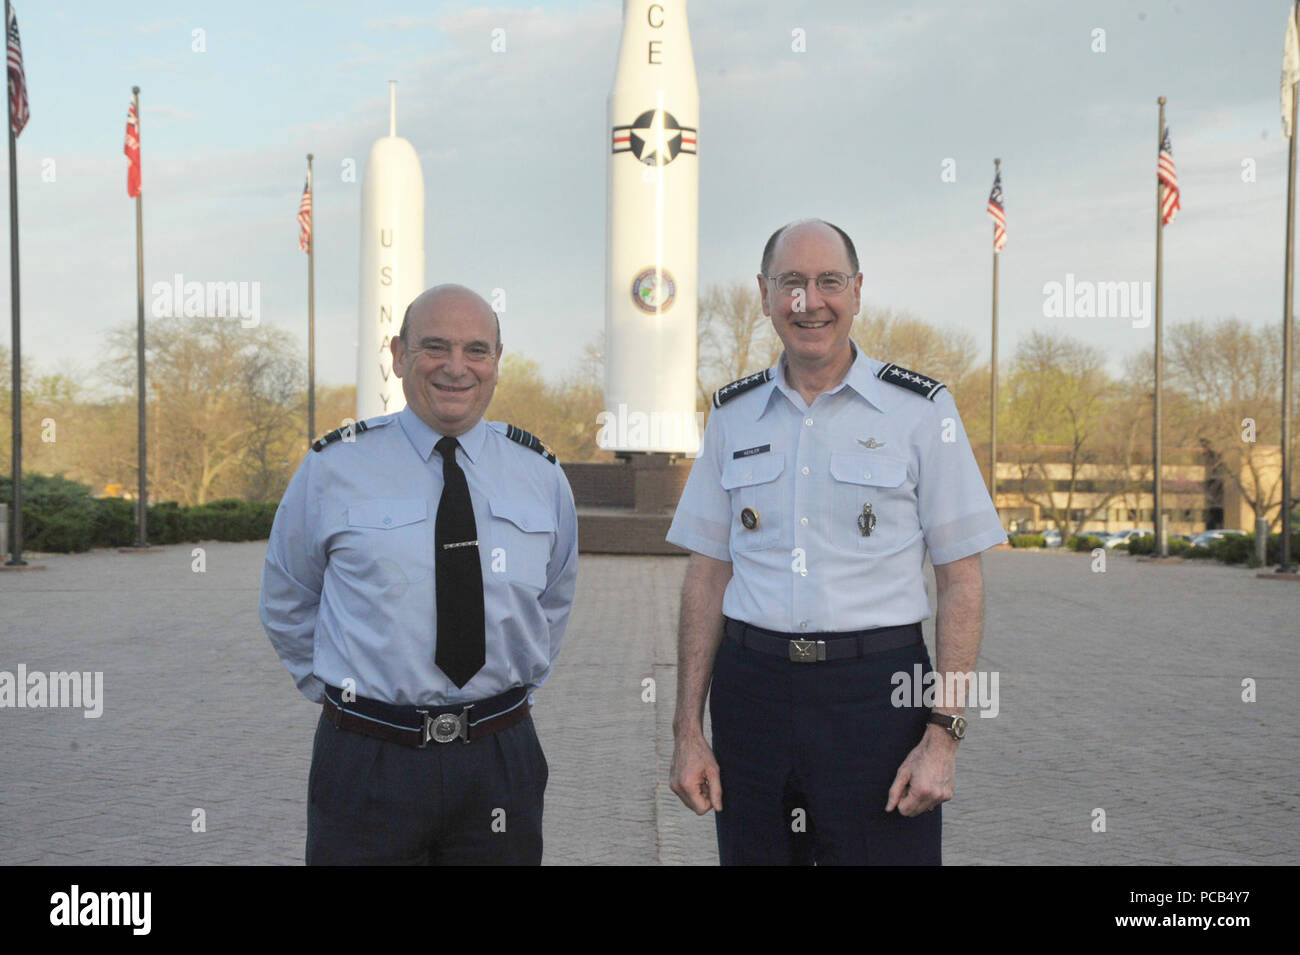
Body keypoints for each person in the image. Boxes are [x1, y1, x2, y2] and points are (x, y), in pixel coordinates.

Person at [666, 219, 1006, 865]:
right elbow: (707, 576)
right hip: (751, 699)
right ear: (765, 295)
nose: (809, 300)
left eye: (828, 281)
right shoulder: (732, 416)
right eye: (791, 282)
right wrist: (687, 728)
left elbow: (961, 579)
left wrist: (943, 735)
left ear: (857, 291)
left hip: (877, 699)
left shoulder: (922, 411)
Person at [259, 283, 578, 865]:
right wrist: (351, 700)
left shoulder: (540, 475)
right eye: (436, 347)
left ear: (497, 363)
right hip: (367, 760)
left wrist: (499, 700)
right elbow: (288, 597)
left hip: (499, 761)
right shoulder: (335, 467)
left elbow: (553, 600)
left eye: (477, 350)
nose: (457, 368)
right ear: (399, 354)